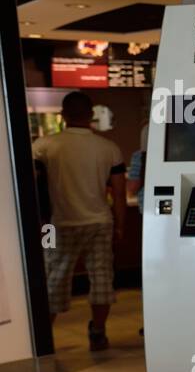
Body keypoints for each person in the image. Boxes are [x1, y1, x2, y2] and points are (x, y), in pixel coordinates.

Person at [32, 91, 126, 351]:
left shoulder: (43, 146)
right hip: (100, 222)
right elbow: (118, 191)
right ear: (91, 115)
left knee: (53, 277)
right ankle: (97, 331)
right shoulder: (109, 148)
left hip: (53, 225)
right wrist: (120, 225)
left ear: (63, 115)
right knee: (102, 278)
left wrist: (39, 225)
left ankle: (44, 338)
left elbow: (32, 188)